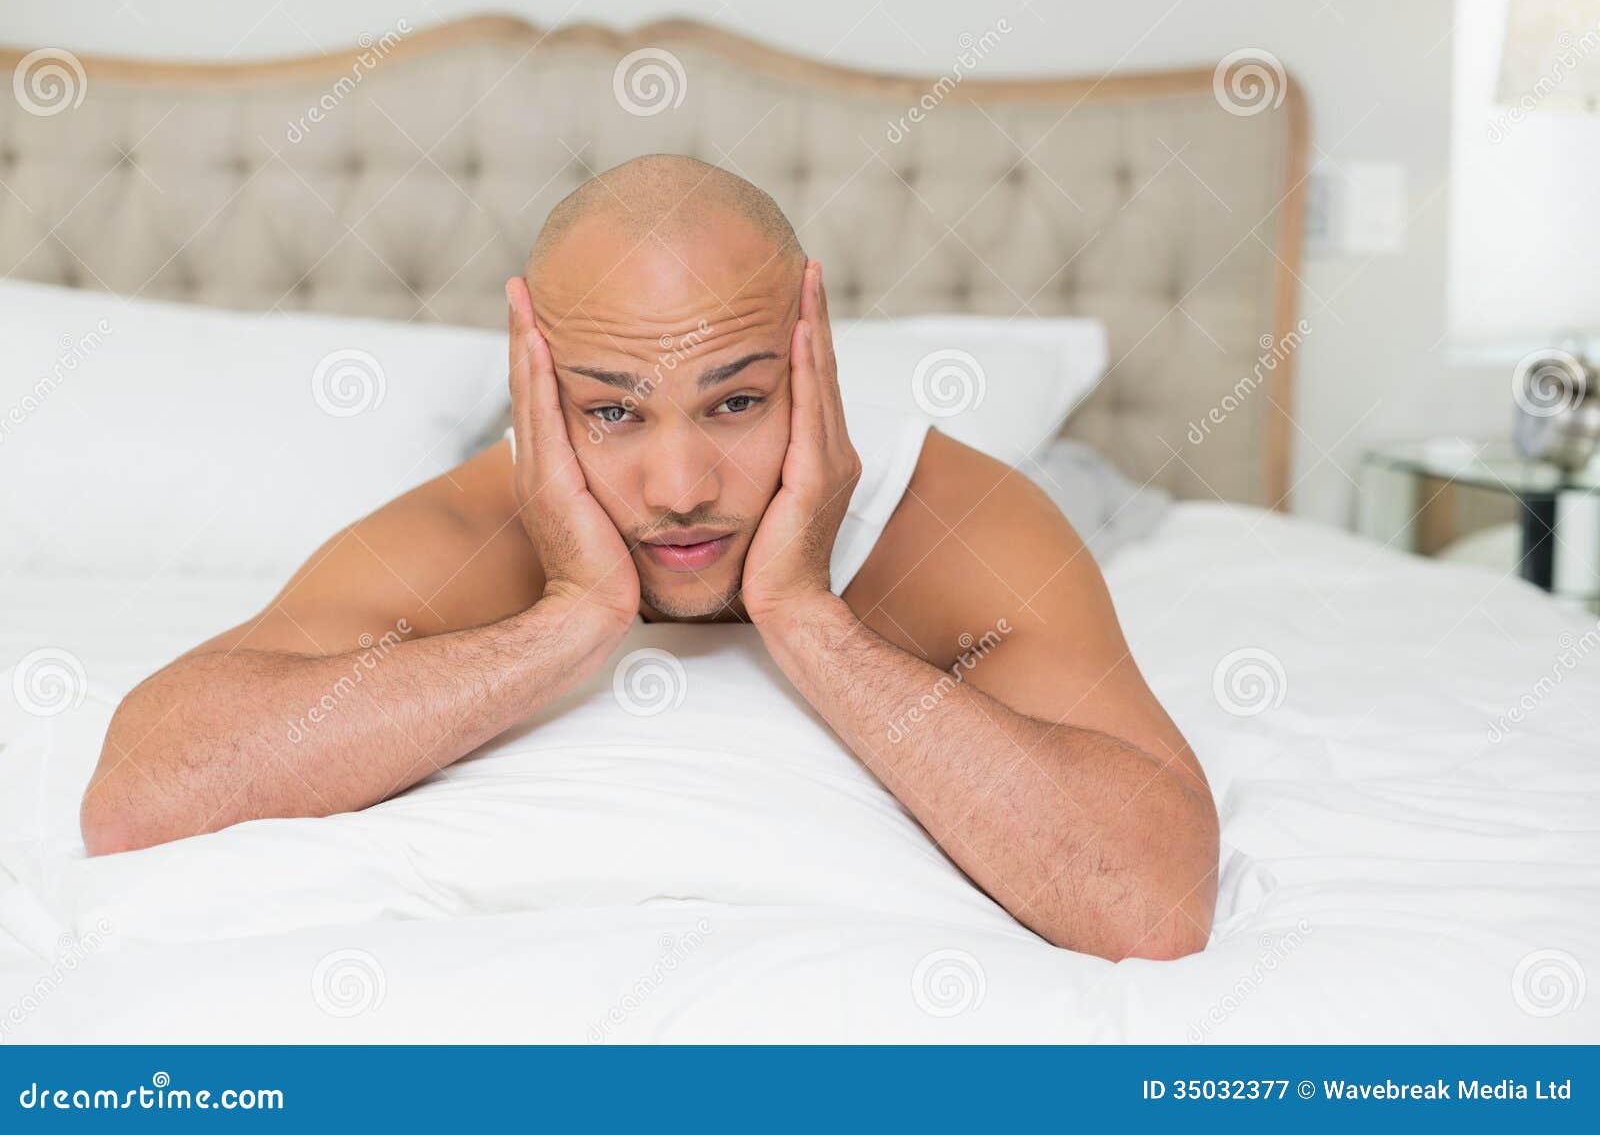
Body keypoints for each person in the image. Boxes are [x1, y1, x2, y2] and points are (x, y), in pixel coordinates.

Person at [81, 154, 1218, 961]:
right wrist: (573, 614)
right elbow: (140, 798)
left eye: (735, 401)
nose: (679, 489)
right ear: (538, 384)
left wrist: (804, 610)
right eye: (613, 413)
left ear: (812, 362)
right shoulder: (469, 530)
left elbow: (1152, 904)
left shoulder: (963, 524)